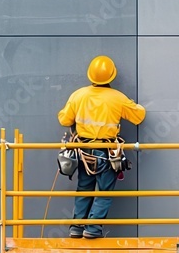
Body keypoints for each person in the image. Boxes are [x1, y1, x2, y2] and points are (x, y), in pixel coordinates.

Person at [57, 55, 146, 239]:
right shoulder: (117, 98)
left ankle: (76, 227)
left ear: (90, 75)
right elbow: (139, 116)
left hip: (83, 152)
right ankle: (93, 229)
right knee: (104, 192)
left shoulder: (78, 95)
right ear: (112, 76)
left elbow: (64, 119)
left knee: (84, 189)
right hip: (107, 153)